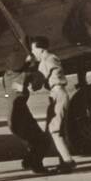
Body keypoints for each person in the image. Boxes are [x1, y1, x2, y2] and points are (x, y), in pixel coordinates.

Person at [28, 35, 76, 173]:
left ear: (41, 49)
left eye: (33, 50)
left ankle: (68, 162)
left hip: (58, 95)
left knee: (54, 131)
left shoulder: (47, 60)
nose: (33, 53)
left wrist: (26, 80)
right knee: (56, 130)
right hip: (56, 95)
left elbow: (38, 82)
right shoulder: (50, 58)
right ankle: (64, 161)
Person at [7, 63, 49, 174]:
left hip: (13, 118)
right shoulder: (24, 76)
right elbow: (35, 86)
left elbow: (14, 87)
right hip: (20, 117)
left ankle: (28, 161)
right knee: (43, 140)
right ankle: (36, 166)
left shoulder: (8, 76)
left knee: (33, 141)